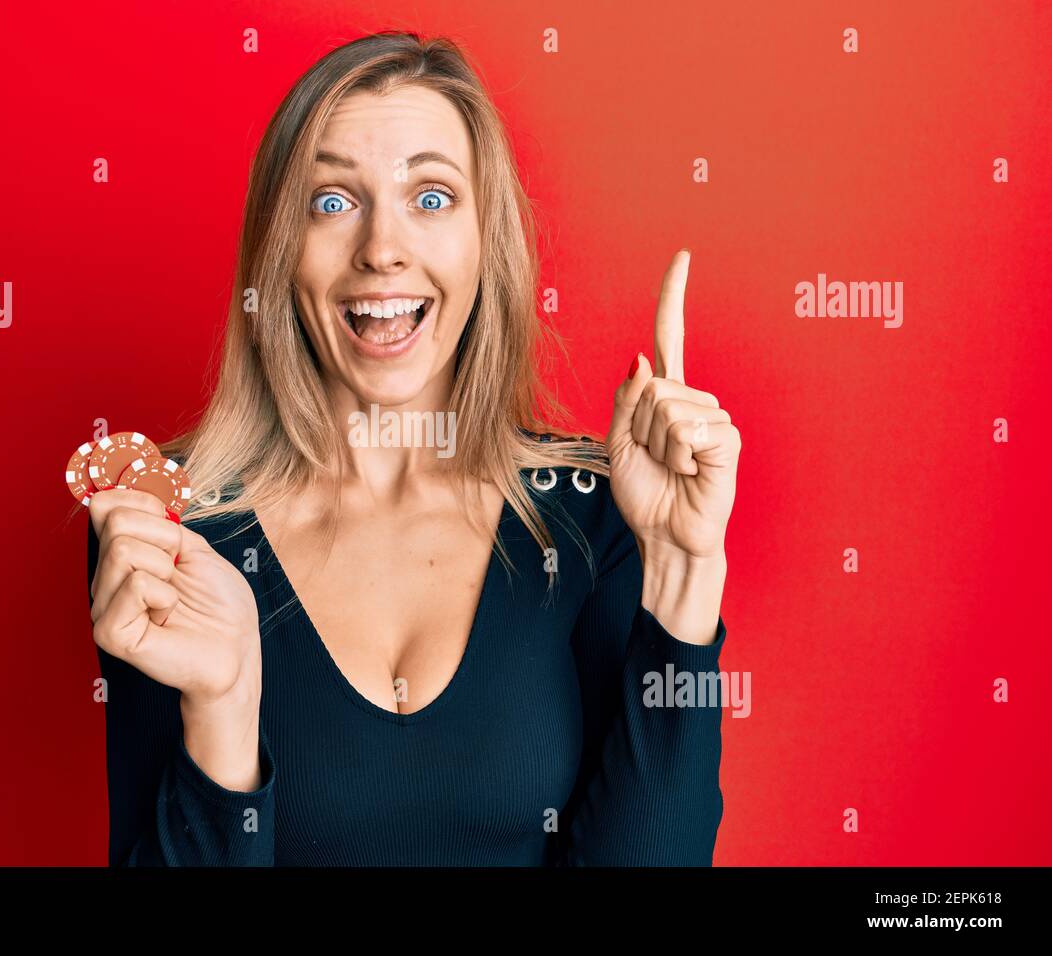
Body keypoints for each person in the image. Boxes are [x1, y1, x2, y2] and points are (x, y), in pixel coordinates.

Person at [86, 31, 740, 866]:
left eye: (431, 198)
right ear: (279, 253)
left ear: (484, 244)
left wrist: (685, 568)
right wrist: (221, 708)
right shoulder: (176, 525)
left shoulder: (595, 510)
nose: (382, 248)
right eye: (333, 201)